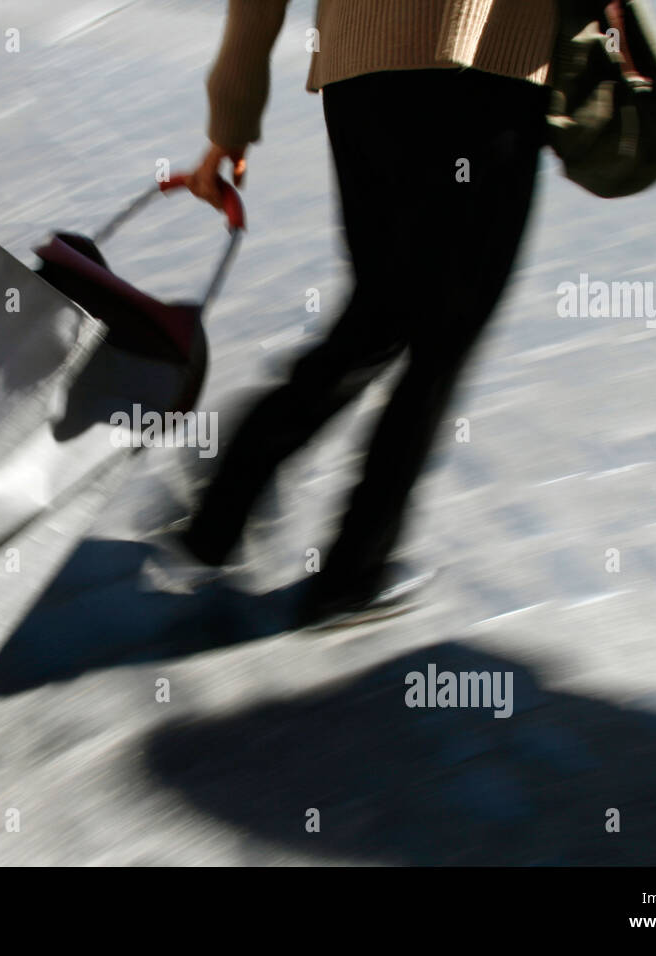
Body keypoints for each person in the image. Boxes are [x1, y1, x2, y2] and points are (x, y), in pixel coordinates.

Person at [177, 0, 561, 626]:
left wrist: (231, 115)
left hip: (364, 69)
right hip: (487, 64)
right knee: (444, 334)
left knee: (383, 311)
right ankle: (351, 573)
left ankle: (226, 505)